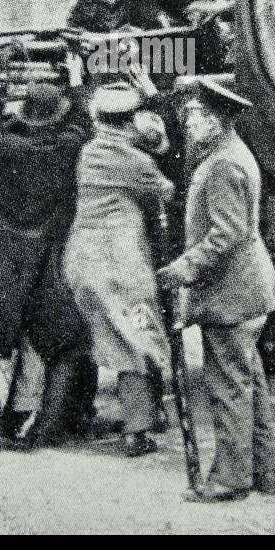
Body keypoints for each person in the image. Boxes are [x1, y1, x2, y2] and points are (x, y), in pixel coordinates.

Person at [156, 77, 275, 502]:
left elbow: (226, 235)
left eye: (195, 117)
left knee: (229, 388)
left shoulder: (225, 164)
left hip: (232, 297)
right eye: (190, 115)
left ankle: (230, 479)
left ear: (216, 120)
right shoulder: (227, 153)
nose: (189, 124)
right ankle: (263, 472)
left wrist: (182, 268)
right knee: (250, 386)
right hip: (248, 293)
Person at [0, 80, 92, 452]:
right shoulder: (68, 147)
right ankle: (45, 430)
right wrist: (76, 82)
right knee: (64, 344)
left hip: (1, 255)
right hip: (47, 255)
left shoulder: (3, 148)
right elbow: (82, 125)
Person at [64, 83, 175, 456]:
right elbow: (166, 190)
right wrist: (154, 137)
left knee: (112, 339)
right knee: (142, 337)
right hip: (123, 268)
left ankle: (129, 420)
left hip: (83, 263)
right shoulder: (137, 162)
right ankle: (140, 426)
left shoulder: (89, 153)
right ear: (130, 120)